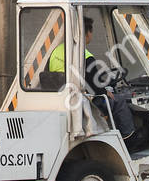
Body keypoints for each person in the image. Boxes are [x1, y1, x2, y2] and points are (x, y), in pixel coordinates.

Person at [49, 16, 137, 144]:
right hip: (84, 99)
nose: (92, 34)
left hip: (63, 96)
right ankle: (128, 138)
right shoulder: (85, 56)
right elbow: (95, 86)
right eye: (91, 31)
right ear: (87, 33)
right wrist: (105, 91)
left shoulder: (56, 51)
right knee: (119, 101)